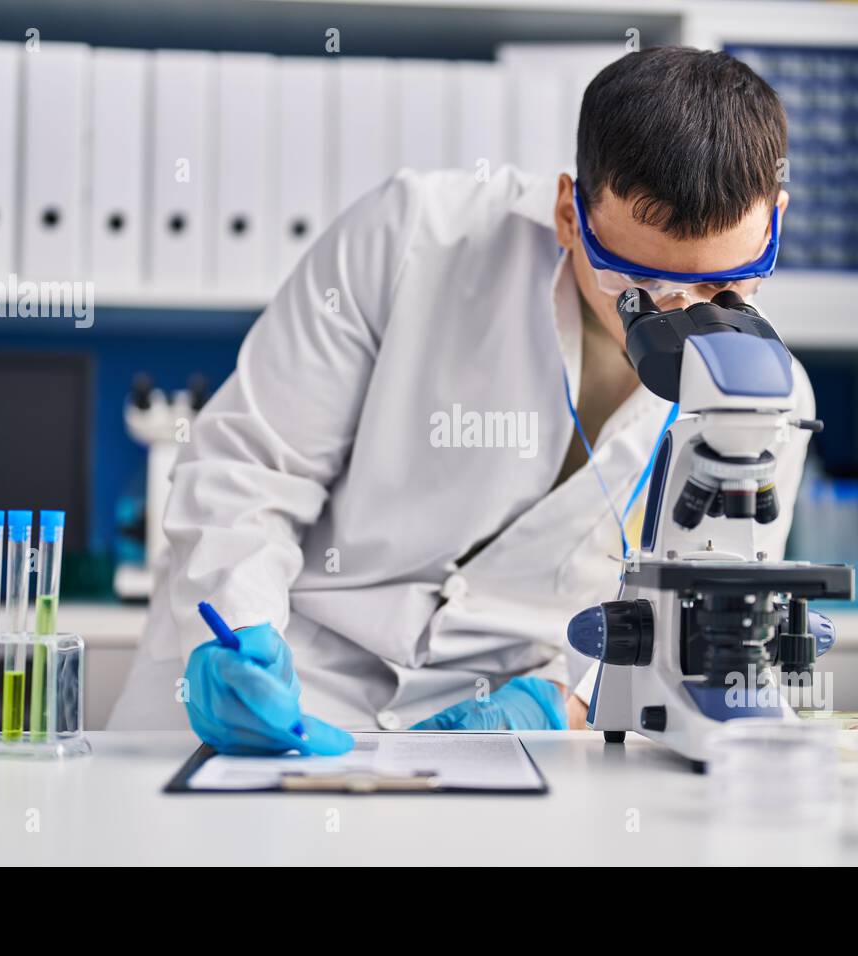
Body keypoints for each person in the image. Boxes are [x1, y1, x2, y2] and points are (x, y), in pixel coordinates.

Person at [108, 47, 814, 754]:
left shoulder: (765, 401)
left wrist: (568, 699)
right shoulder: (413, 236)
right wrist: (240, 632)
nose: (683, 317)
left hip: (508, 727)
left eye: (728, 286)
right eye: (643, 285)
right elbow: (251, 467)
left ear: (774, 222)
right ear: (571, 213)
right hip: (300, 675)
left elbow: (711, 617)